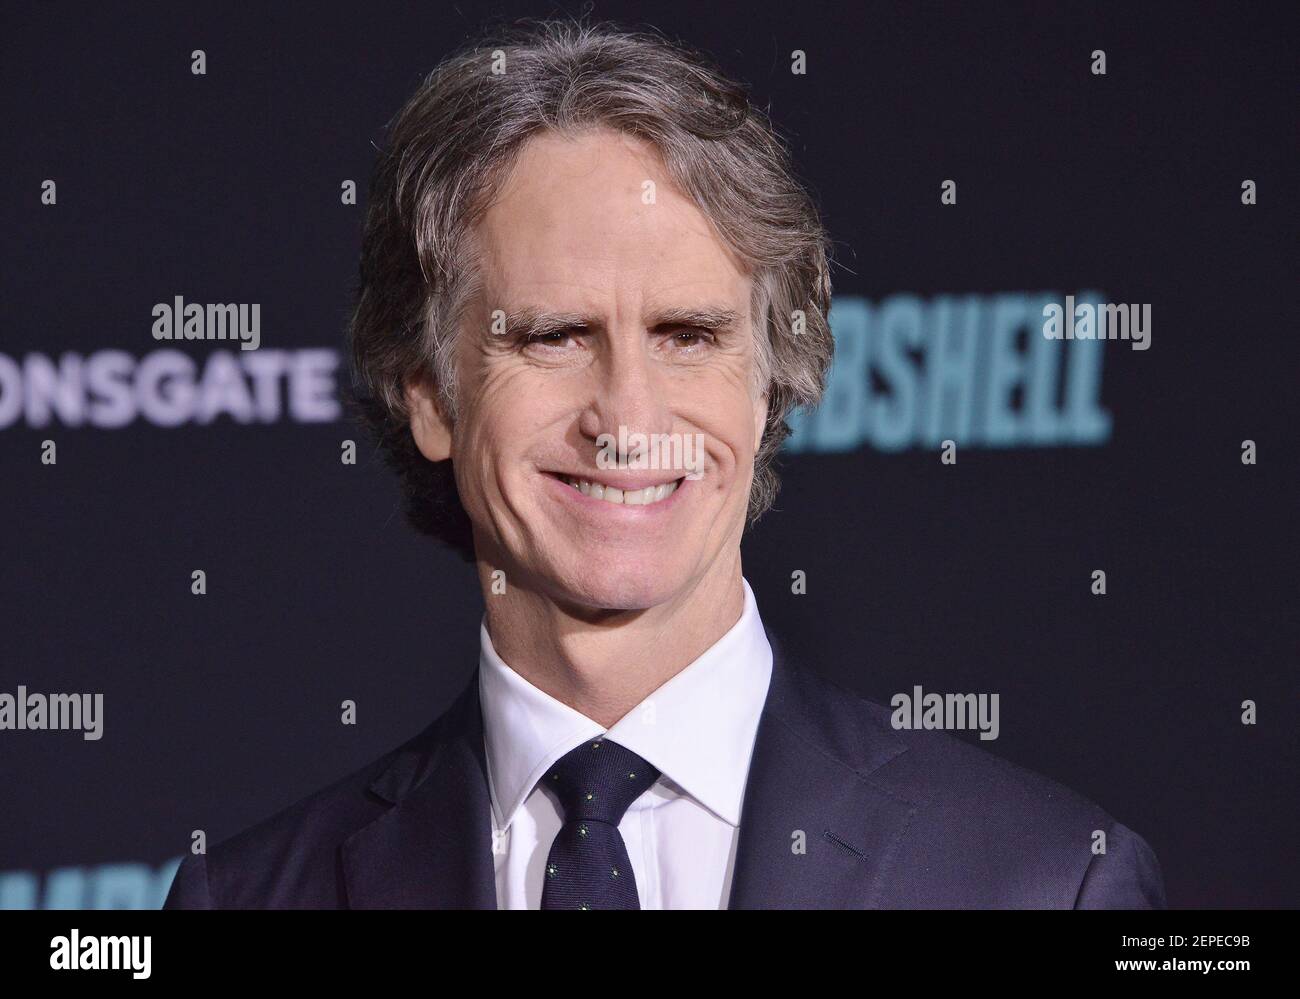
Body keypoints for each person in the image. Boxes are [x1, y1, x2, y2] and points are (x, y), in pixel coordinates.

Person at [164, 18, 1164, 910]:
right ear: (426, 391)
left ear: (772, 380)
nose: (628, 418)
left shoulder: (1045, 882)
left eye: (688, 334)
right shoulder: (248, 896)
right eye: (553, 336)